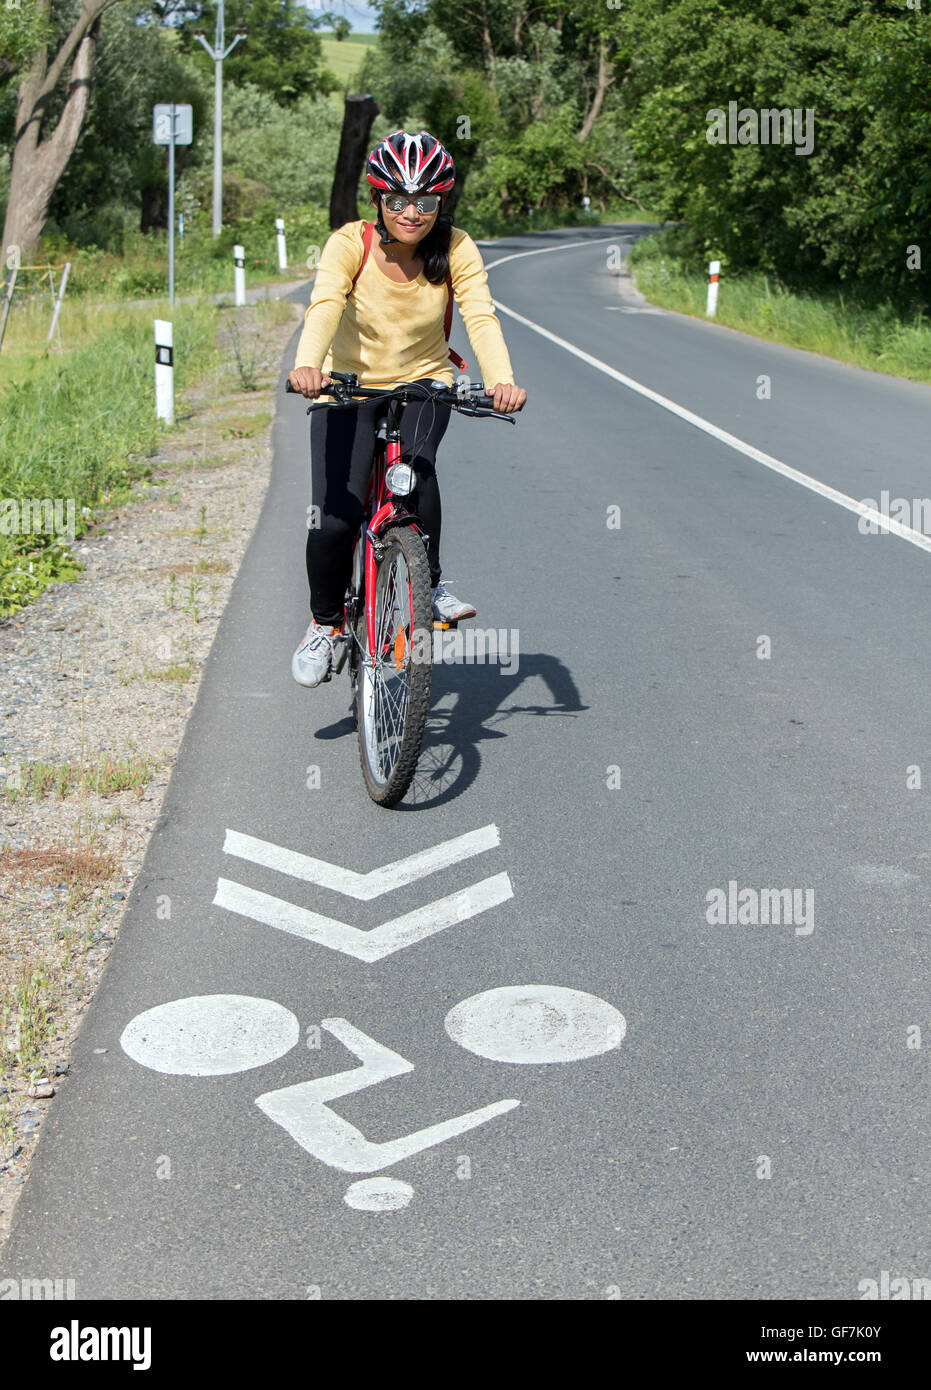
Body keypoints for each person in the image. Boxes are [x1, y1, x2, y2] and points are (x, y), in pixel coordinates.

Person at [287, 128, 527, 688]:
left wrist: (501, 381)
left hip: (424, 380)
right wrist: (307, 365)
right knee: (335, 520)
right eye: (398, 200)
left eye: (425, 202)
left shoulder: (457, 248)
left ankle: (431, 582)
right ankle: (324, 625)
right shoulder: (350, 244)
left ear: (440, 203)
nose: (411, 213)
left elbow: (480, 316)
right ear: (379, 199)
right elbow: (323, 306)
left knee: (414, 474)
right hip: (345, 383)